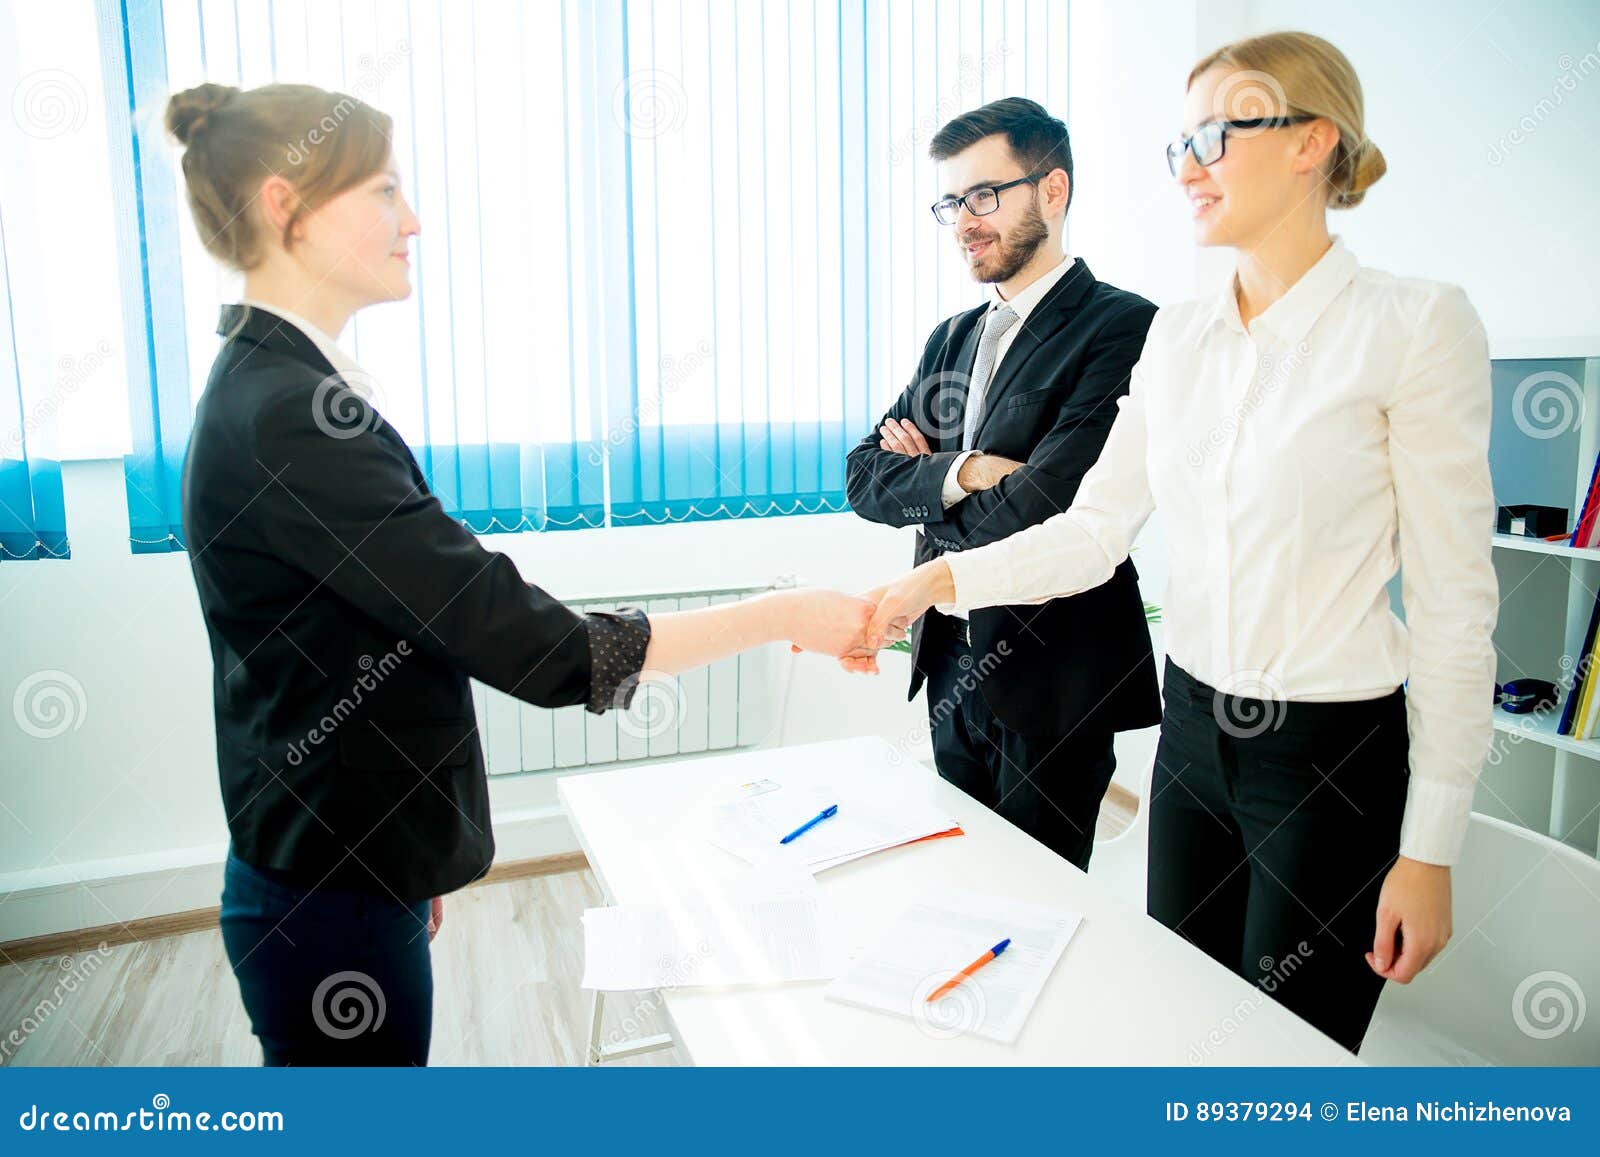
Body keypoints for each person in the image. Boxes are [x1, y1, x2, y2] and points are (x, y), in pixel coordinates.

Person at [167, 82, 879, 1065]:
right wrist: (784, 610)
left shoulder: (281, 386)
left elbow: (393, 626)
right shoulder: (289, 414)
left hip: (343, 872)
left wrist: (405, 864)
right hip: (325, 896)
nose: (411, 219)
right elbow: (538, 646)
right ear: (286, 205)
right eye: (382, 191)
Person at [857, 32, 1497, 1053]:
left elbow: (1459, 605)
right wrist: (933, 579)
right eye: (1178, 144)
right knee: (1186, 1029)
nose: (1187, 167)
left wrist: (1430, 846)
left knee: (1291, 1058)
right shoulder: (1181, 337)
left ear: (1311, 143)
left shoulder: (1413, 325)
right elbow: (1093, 530)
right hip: (1193, 741)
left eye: (1214, 134)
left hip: (1327, 755)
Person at [844, 98, 1160, 870]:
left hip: (1053, 667)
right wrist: (969, 470)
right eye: (951, 202)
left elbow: (1051, 509)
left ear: (1053, 191)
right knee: (966, 877)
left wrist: (925, 481)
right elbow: (861, 477)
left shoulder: (1123, 327)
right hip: (949, 652)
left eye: (984, 195)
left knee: (1042, 900)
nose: (964, 221)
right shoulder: (950, 337)